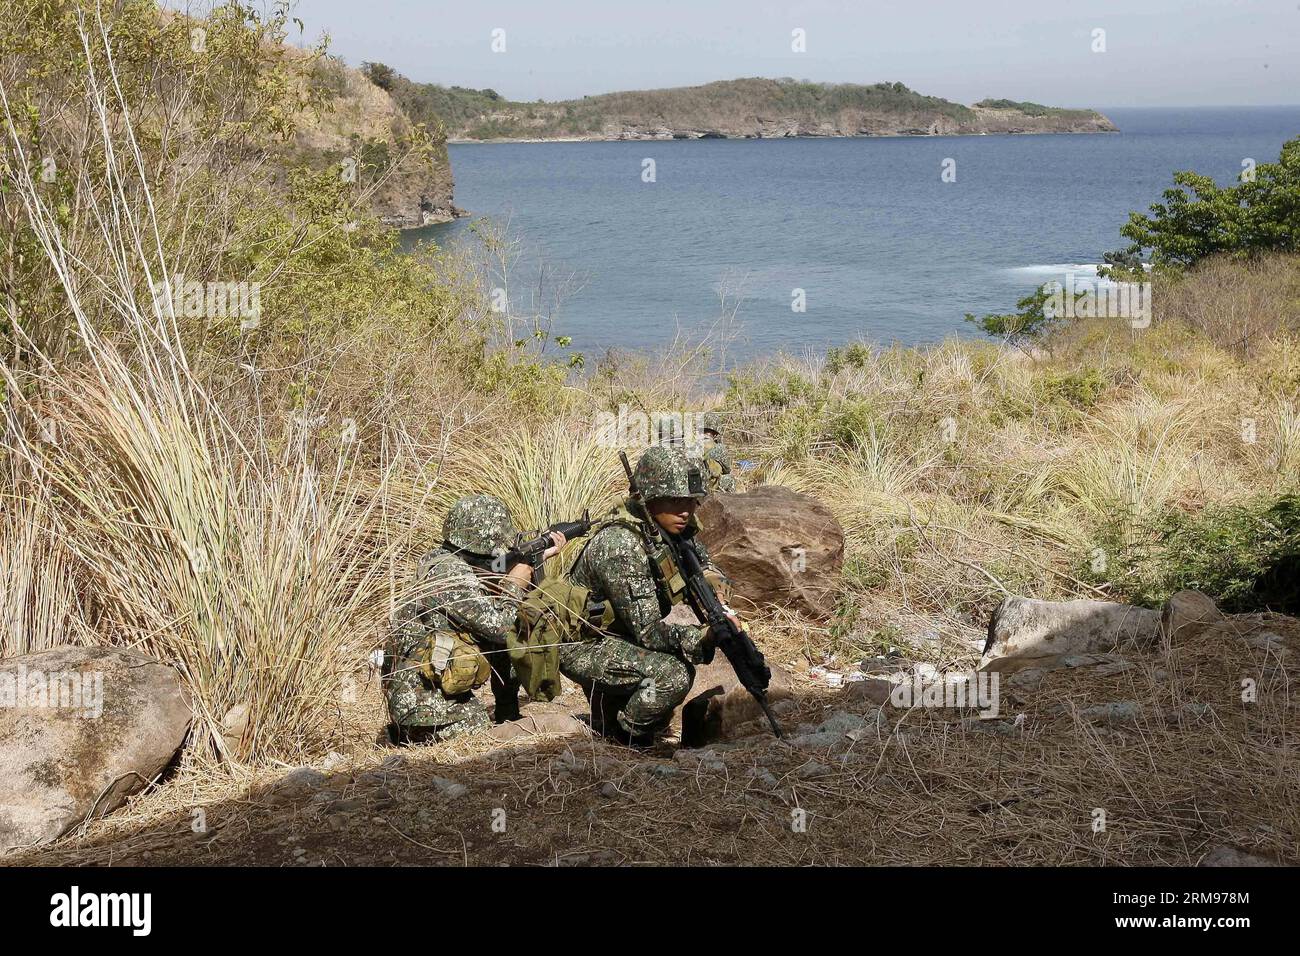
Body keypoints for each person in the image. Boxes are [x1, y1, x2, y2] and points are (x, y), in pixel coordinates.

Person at [559, 445, 734, 746]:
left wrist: (714, 589)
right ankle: (625, 736)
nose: (686, 511)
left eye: (691, 501)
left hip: (618, 634)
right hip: (582, 643)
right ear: (647, 499)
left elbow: (704, 564)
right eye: (674, 501)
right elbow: (650, 633)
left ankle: (615, 707)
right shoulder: (620, 545)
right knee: (672, 676)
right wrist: (702, 638)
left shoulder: (673, 527)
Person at [383, 494, 564, 743]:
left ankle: (507, 711)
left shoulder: (441, 559)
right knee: (483, 730)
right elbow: (501, 629)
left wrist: (536, 559)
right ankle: (415, 734)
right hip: (420, 703)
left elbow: (489, 576)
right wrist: (514, 585)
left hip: (421, 689)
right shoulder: (451, 574)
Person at [698, 411, 736, 494]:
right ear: (715, 433)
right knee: (729, 479)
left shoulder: (692, 445)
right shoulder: (718, 448)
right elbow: (727, 470)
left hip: (692, 487)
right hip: (709, 487)